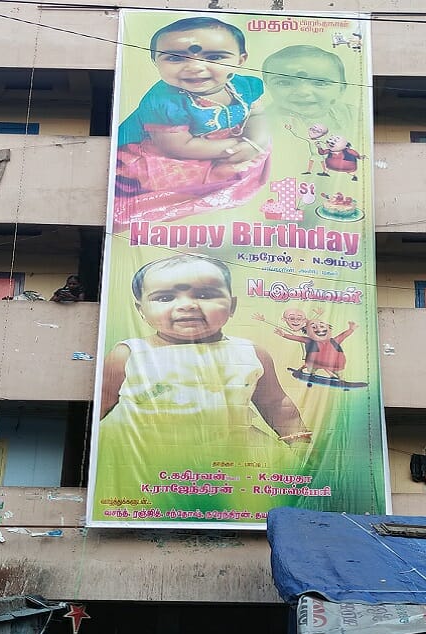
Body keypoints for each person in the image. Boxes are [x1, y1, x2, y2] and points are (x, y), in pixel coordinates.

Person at [98, 255, 310, 472]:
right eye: (165, 298)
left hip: (235, 462)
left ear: (232, 305)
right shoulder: (129, 354)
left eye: (204, 295)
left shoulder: (250, 353)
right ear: (141, 310)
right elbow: (100, 406)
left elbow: (276, 403)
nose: (187, 305)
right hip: (147, 463)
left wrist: (300, 446)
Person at [112, 17, 270, 227]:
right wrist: (235, 146)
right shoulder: (163, 101)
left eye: (214, 57)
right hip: (167, 149)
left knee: (262, 147)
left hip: (222, 141)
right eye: (176, 59)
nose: (195, 67)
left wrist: (254, 142)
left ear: (240, 59)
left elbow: (257, 114)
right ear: (155, 61)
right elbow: (177, 146)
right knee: (179, 181)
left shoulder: (244, 85)